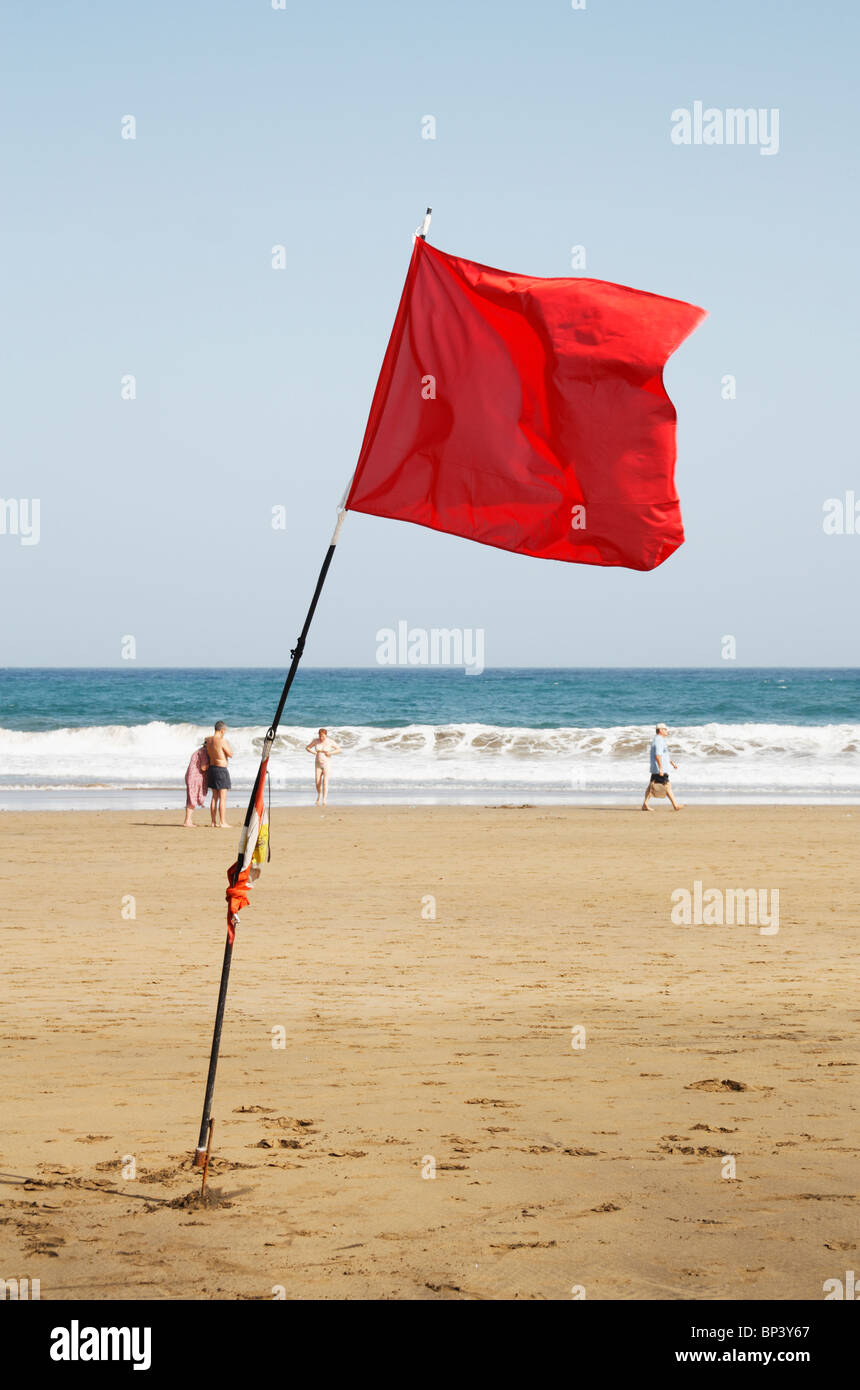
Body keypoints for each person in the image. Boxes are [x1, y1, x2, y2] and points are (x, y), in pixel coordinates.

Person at [642, 722, 683, 811]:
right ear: (660, 730)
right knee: (667, 785)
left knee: (651, 787)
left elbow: (664, 755)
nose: (666, 730)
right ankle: (675, 806)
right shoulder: (659, 740)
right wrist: (660, 768)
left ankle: (645, 804)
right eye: (665, 729)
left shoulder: (659, 739)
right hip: (659, 769)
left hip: (658, 768)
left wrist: (672, 763)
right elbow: (658, 755)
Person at [205, 720, 234, 827]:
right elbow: (230, 754)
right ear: (222, 730)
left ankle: (213, 822)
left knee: (214, 797)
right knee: (223, 797)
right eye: (224, 731)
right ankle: (222, 822)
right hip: (221, 770)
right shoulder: (221, 741)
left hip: (212, 769)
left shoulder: (208, 740)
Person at [305, 727, 341, 806]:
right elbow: (307, 748)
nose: (321, 738)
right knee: (317, 782)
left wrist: (331, 753)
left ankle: (324, 799)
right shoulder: (316, 741)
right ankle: (319, 795)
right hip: (317, 764)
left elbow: (339, 749)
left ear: (326, 735)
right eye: (320, 736)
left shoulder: (330, 742)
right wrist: (314, 752)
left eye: (323, 736)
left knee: (325, 782)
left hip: (326, 763)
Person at [183, 740, 210, 828]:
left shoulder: (200, 750)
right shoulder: (204, 752)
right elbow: (203, 767)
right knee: (192, 798)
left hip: (191, 776)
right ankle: (187, 821)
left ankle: (189, 820)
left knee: (191, 797)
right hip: (195, 777)